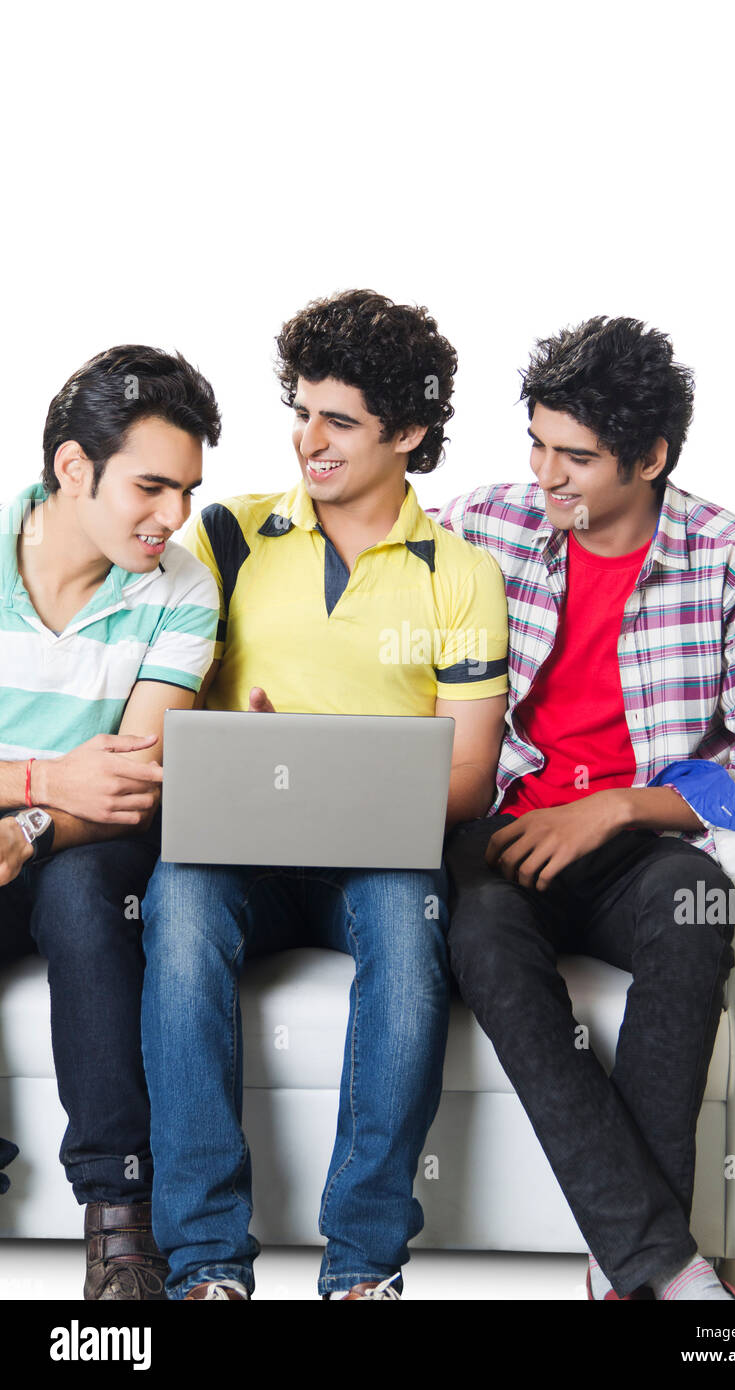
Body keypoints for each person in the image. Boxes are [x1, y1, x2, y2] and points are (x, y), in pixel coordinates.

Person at [139, 289, 509, 1300]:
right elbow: (157, 702)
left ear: (409, 430)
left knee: (406, 924)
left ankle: (362, 1266)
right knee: (176, 908)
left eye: (338, 420)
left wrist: (342, 775)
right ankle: (206, 1262)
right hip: (234, 846)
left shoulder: (461, 574)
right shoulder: (228, 534)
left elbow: (470, 775)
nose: (309, 439)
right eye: (300, 411)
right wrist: (242, 753)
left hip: (379, 856)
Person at [438, 315, 735, 1301]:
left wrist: (616, 809)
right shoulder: (478, 524)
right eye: (534, 442)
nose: (544, 476)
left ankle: (629, 1265)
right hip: (500, 831)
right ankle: (658, 1268)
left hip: (635, 838)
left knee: (695, 914)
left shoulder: (730, 555)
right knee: (478, 934)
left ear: (649, 457)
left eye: (576, 457)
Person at [0, 346, 221, 1298]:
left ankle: (121, 1221)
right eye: (152, 487)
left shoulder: (181, 586)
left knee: (90, 895)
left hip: (86, 852)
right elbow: (88, 774)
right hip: (39, 814)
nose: (174, 518)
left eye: (188, 490)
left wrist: (28, 824)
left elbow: (133, 784)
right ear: (71, 469)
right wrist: (48, 775)